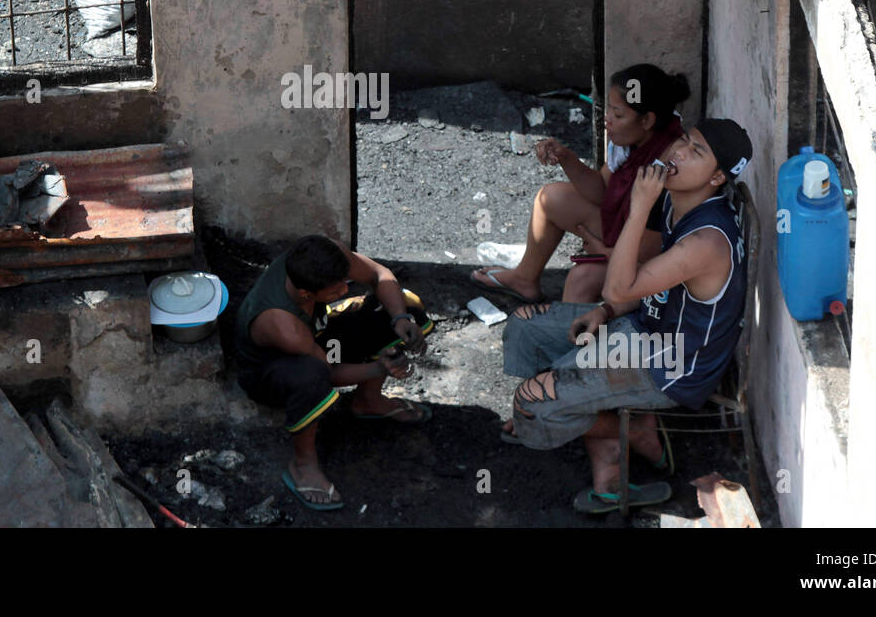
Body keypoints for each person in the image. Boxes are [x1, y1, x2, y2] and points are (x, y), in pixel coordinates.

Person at [500, 118, 752, 513]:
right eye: (684, 141)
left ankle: (624, 427)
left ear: (717, 176)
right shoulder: (677, 199)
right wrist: (606, 310)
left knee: (530, 402)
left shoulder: (706, 241)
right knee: (524, 325)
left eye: (696, 152)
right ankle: (585, 416)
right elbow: (631, 283)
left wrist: (640, 206)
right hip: (640, 325)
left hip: (671, 363)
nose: (678, 152)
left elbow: (619, 283)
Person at [234, 235, 433, 511]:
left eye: (344, 283)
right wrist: (379, 366)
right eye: (335, 290)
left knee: (405, 305)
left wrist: (400, 319)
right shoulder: (282, 326)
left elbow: (379, 274)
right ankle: (302, 464)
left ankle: (368, 401)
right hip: (270, 373)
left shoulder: (322, 256)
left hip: (317, 341)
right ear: (306, 295)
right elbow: (328, 373)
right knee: (311, 376)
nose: (344, 290)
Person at [471, 64, 690, 304]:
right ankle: (524, 279)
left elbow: (646, 255)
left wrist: (602, 252)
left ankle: (580, 337)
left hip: (651, 259)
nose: (608, 120)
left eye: (617, 115)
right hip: (625, 225)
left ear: (647, 120)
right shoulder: (633, 136)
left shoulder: (666, 170)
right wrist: (567, 158)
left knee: (581, 279)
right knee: (551, 199)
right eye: (609, 110)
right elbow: (603, 192)